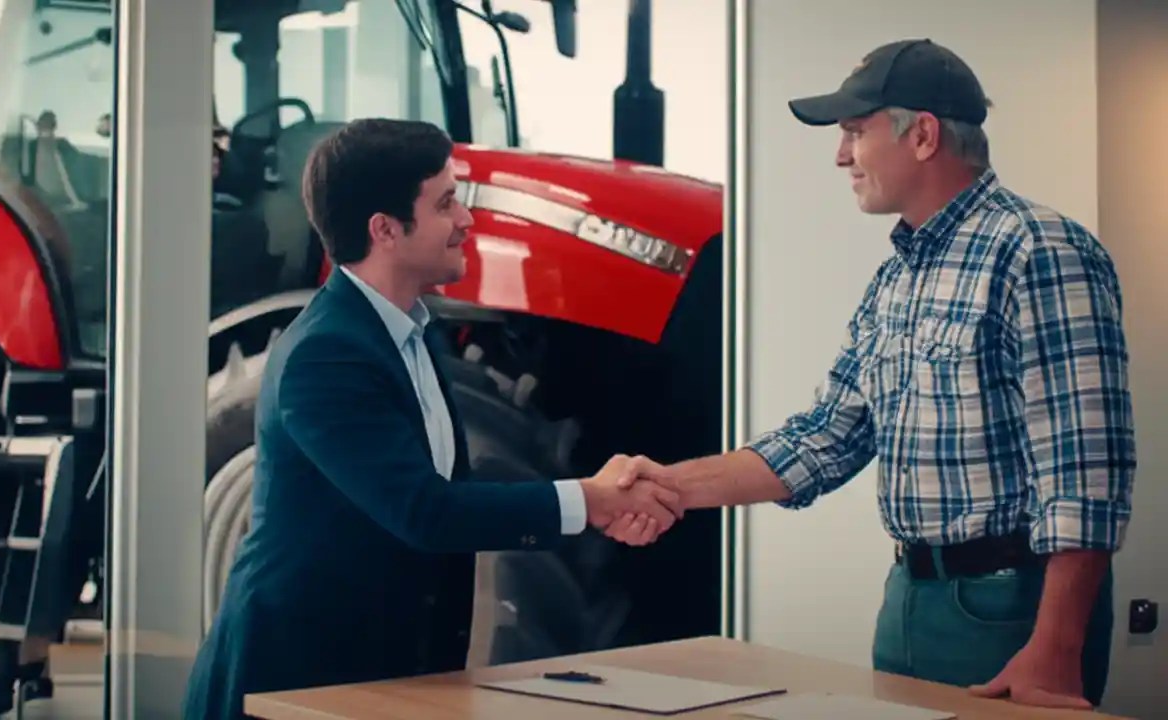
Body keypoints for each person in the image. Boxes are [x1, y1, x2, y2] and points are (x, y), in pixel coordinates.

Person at [609, 38, 1135, 711]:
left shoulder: (1041, 251)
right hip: (911, 599)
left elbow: (1087, 470)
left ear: (922, 135)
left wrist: (1057, 648)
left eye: (855, 132)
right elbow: (824, 439)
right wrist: (663, 485)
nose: (839, 155)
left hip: (1013, 610)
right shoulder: (897, 278)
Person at [182, 118, 683, 720]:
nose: (467, 221)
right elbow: (425, 512)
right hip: (293, 680)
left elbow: (460, 493)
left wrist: (602, 500)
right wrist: (590, 501)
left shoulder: (410, 335)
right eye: (447, 203)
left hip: (372, 677)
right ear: (385, 229)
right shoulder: (328, 355)